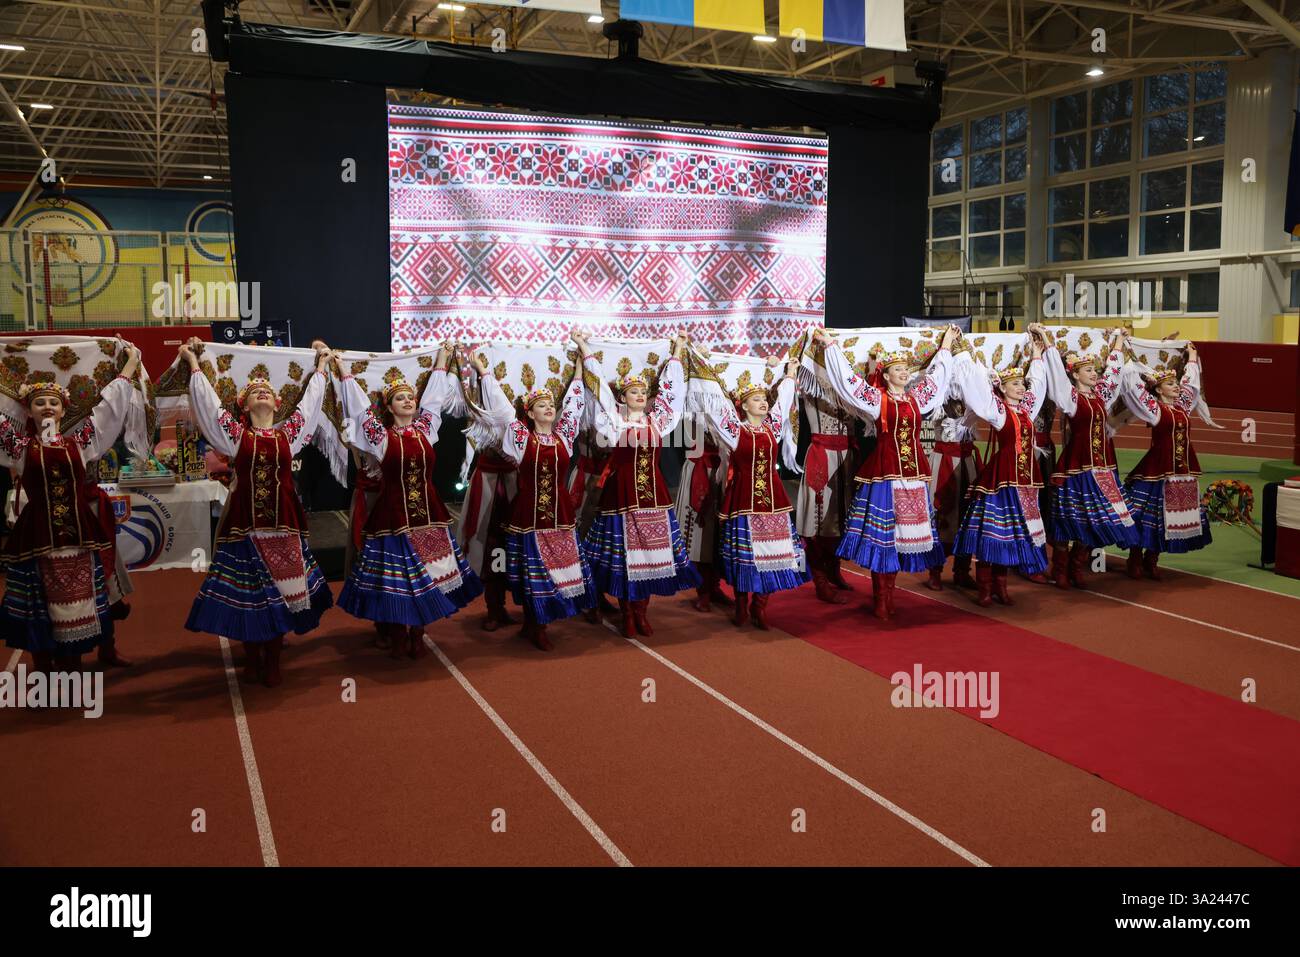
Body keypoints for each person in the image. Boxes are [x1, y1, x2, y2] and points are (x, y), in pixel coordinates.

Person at [179, 337, 335, 687]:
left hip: (282, 526)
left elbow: (309, 409)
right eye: (254, 391)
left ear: (278, 404)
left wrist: (321, 368)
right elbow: (209, 407)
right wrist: (192, 364)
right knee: (248, 595)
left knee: (281, 593)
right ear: (244, 405)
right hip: (245, 527)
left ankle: (274, 659)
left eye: (267, 390)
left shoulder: (288, 436)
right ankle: (252, 659)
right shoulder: (236, 436)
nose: (261, 393)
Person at [334, 343, 483, 658]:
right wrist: (345, 372)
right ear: (389, 407)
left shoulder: (425, 429)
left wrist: (442, 360)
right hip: (392, 517)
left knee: (428, 572)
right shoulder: (381, 437)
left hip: (428, 514)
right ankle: (398, 632)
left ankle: (419, 632)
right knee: (400, 577)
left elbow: (433, 401)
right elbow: (360, 410)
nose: (408, 400)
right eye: (400, 398)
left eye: (410, 397)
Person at [0, 343, 142, 671]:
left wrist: (131, 363)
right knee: (40, 605)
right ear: (29, 411)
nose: (47, 407)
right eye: (39, 403)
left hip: (79, 536)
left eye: (53, 402)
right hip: (37, 538)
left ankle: (74, 669)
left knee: (80, 605)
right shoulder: (19, 446)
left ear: (63, 411)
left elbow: (109, 407)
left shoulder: (80, 443)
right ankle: (44, 670)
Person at [812, 326, 958, 621]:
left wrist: (947, 345)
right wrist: (830, 346)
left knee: (903, 537)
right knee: (885, 538)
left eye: (906, 369)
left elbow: (938, 378)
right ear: (887, 375)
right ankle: (880, 599)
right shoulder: (876, 400)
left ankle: (889, 596)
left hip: (914, 477)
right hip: (885, 475)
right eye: (898, 369)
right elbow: (849, 383)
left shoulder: (918, 399)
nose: (904, 373)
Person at [582, 334, 699, 638]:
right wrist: (585, 351)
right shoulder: (614, 422)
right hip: (621, 498)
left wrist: (676, 351)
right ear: (622, 397)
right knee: (625, 559)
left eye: (643, 391)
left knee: (648, 557)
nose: (640, 395)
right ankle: (626, 614)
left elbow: (671, 395)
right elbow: (599, 395)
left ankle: (641, 613)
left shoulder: (657, 422)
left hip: (653, 500)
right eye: (634, 391)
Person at [494, 330, 600, 650]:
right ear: (529, 413)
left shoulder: (564, 436)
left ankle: (542, 620)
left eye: (550, 404)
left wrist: (581, 363)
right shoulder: (520, 438)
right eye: (542, 405)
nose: (549, 408)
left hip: (559, 516)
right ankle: (534, 623)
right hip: (528, 517)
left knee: (559, 569)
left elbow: (574, 404)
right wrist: (485, 372)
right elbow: (499, 408)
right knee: (531, 571)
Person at [695, 358, 808, 629]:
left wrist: (791, 374)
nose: (762, 403)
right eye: (756, 399)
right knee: (745, 557)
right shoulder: (735, 431)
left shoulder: (773, 429)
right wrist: (705, 370)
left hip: (772, 502)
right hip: (744, 502)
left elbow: (783, 401)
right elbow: (718, 407)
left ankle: (761, 607)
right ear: (744, 406)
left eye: (763, 399)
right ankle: (741, 605)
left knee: (771, 554)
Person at [1036, 324, 1138, 589]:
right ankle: (1060, 570)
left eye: (1095, 369)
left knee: (1092, 519)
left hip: (1101, 466)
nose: (1095, 374)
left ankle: (1076, 566)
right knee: (1068, 519)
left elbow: (1113, 374)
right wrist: (1046, 339)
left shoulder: (1100, 396)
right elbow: (1057, 375)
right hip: (1076, 467)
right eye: (1089, 370)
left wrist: (1118, 343)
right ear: (1076, 375)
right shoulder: (1071, 399)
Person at [952, 332, 1050, 606]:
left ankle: (1000, 586)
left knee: (1013, 534)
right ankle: (984, 587)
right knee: (994, 534)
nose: (1022, 388)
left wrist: (1037, 356)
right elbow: (979, 392)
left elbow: (1039, 386)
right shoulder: (999, 411)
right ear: (1003, 388)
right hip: (1001, 481)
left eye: (1022, 383)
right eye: (1016, 384)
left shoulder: (1026, 410)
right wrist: (963, 354)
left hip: (1025, 481)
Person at [1119, 343, 1211, 579]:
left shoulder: (1182, 407)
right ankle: (1135, 559)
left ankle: (1152, 559)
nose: (1177, 387)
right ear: (1159, 390)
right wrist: (1126, 355)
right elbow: (1135, 388)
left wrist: (1192, 357)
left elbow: (1192, 384)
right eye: (1171, 384)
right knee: (1147, 514)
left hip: (1182, 469)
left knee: (1166, 517)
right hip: (1157, 470)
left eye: (1176, 384)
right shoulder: (1155, 410)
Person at [453, 346, 523, 632]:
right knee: (490, 543)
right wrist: (481, 374)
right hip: (491, 485)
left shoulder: (518, 415)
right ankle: (494, 606)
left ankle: (513, 603)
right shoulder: (483, 412)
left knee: (513, 544)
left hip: (513, 484)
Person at [794, 370, 859, 604]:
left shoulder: (850, 386)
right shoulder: (811, 381)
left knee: (841, 517)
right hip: (822, 456)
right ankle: (819, 578)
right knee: (818, 520)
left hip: (845, 459)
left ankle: (833, 569)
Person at [674, 420, 733, 612]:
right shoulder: (694, 397)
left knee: (720, 530)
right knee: (700, 534)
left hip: (724, 468)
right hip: (700, 467)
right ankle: (703, 589)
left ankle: (713, 586)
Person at [927, 389, 980, 591]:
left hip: (967, 462)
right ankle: (935, 569)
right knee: (942, 512)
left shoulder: (973, 393)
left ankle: (962, 570)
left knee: (968, 514)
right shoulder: (940, 391)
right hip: (945, 461)